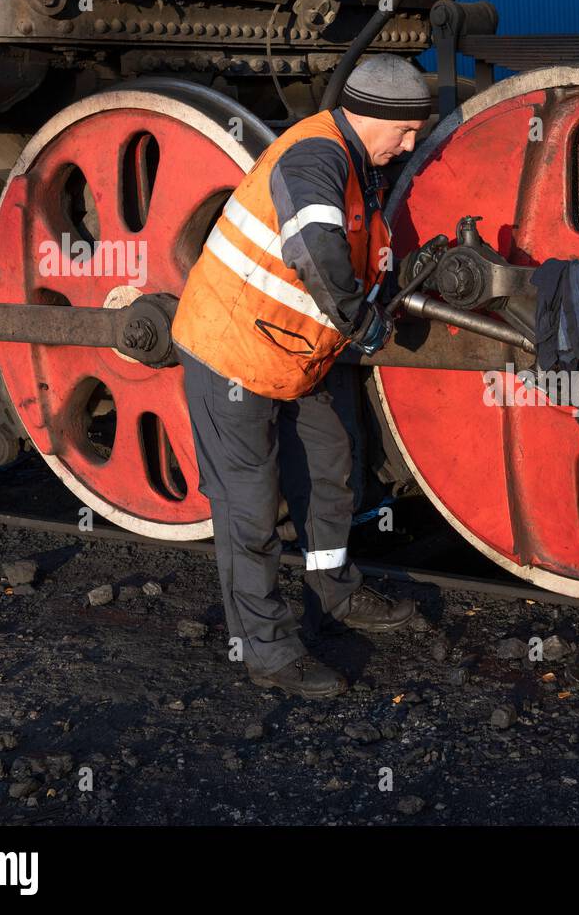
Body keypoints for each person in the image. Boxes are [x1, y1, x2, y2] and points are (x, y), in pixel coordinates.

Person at [170, 55, 431, 699]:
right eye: (405, 132)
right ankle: (267, 651)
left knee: (330, 472)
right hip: (232, 351)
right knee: (251, 509)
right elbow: (316, 250)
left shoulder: (361, 161)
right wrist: (361, 319)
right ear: (372, 116)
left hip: (299, 352)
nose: (411, 144)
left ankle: (334, 592)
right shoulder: (314, 156)